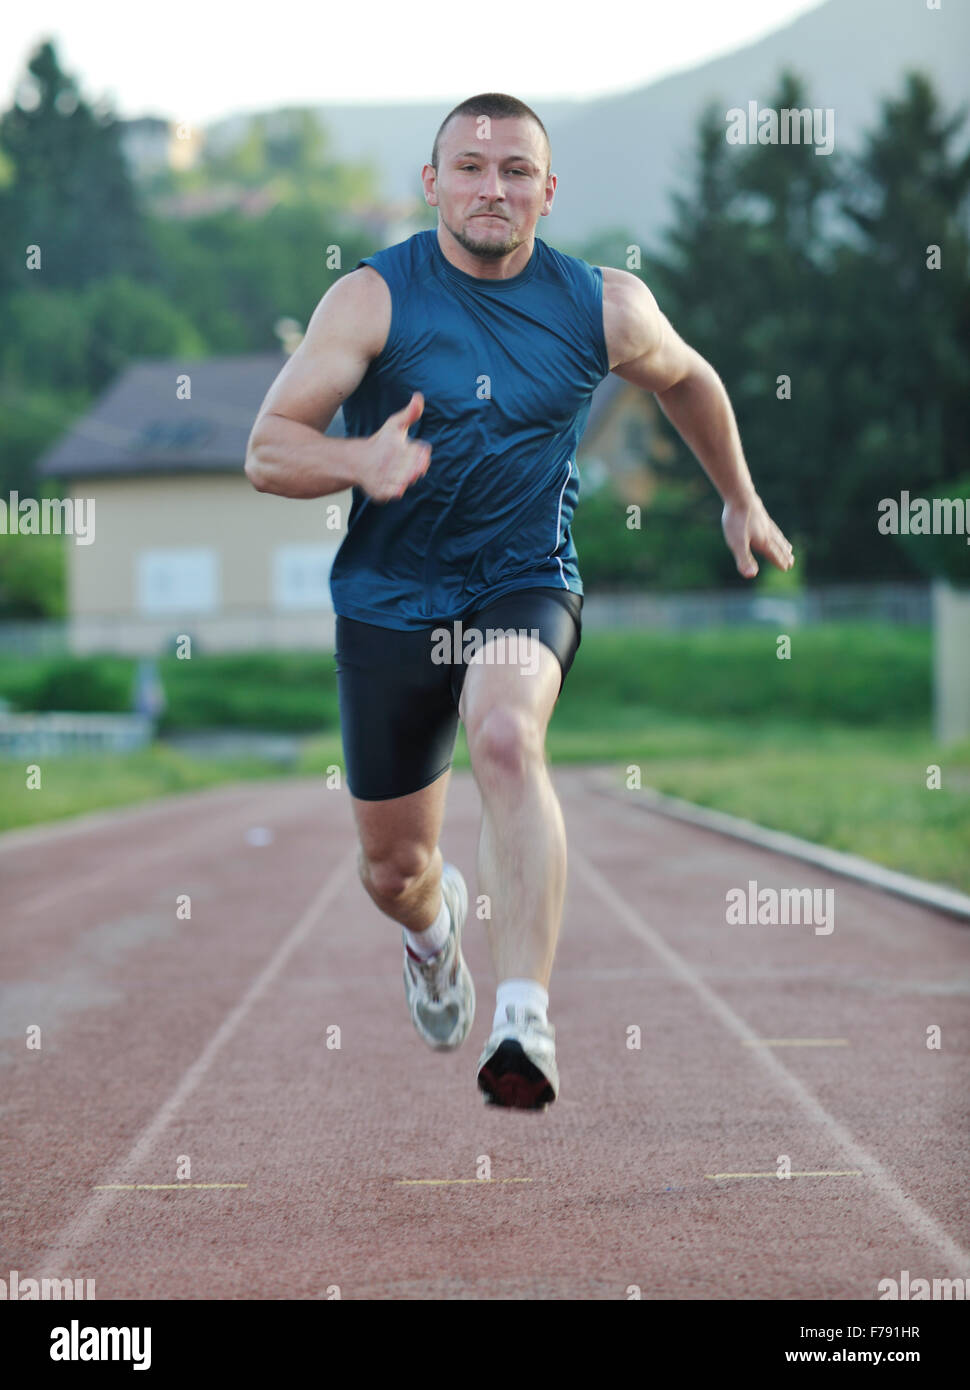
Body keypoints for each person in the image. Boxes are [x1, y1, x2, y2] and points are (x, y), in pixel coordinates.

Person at [245, 92, 794, 1110]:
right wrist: (356, 457)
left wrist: (738, 497)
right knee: (392, 871)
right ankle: (432, 936)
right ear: (431, 183)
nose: (490, 186)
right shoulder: (370, 299)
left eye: (512, 170)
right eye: (469, 166)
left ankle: (523, 1020)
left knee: (504, 739)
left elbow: (689, 378)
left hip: (522, 580)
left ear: (547, 190)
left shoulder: (601, 304)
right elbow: (267, 449)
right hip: (390, 601)